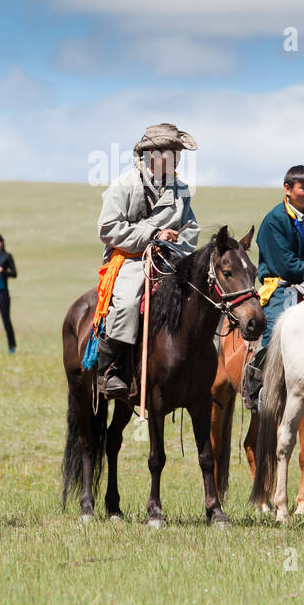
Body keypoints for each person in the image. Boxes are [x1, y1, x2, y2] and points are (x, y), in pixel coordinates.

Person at [93, 123, 201, 400]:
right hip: (130, 258)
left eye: (178, 152)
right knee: (128, 301)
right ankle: (112, 370)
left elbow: (191, 228)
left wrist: (177, 246)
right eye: (171, 151)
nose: (177, 157)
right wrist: (152, 235)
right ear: (152, 154)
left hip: (170, 259)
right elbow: (107, 228)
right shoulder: (125, 184)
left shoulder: (181, 189)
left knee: (199, 299)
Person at [242, 165, 304, 411]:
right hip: (280, 285)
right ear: (288, 189)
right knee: (276, 327)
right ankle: (260, 387)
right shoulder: (274, 220)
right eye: (303, 188)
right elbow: (287, 266)